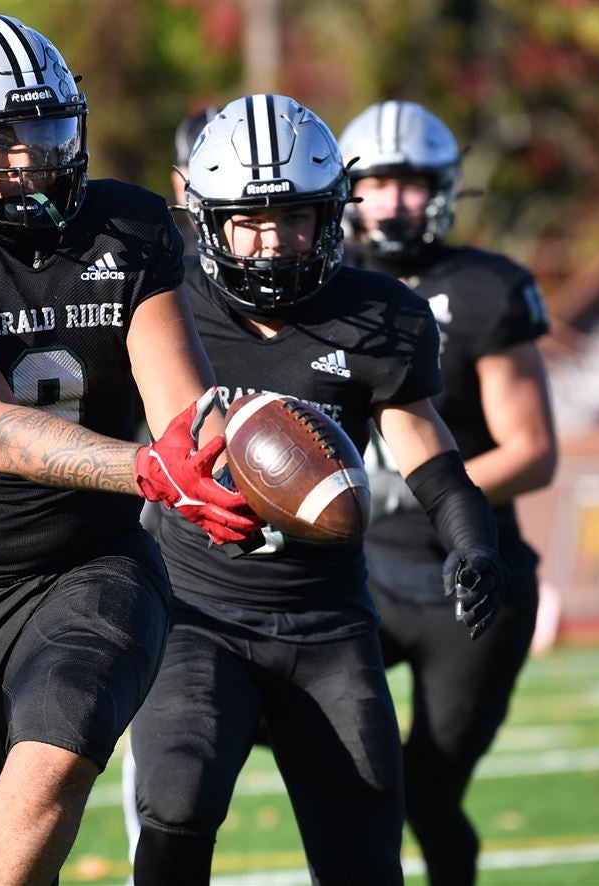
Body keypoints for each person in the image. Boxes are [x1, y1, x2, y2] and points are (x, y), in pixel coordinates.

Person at [0, 14, 263, 884]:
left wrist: (251, 449)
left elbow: (185, 409)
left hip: (93, 568)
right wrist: (143, 467)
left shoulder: (128, 228)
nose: (32, 156)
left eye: (47, 129)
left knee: (52, 761)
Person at [124, 94, 511, 886]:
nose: (272, 244)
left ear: (333, 211)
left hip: (328, 626)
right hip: (199, 616)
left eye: (295, 217)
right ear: (204, 219)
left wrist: (472, 537)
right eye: (249, 221)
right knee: (176, 805)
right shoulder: (165, 301)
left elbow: (430, 456)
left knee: (365, 853)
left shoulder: (380, 313)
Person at [340, 100, 557, 886]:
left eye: (412, 182)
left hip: (468, 584)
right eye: (380, 182)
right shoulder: (330, 283)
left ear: (444, 187)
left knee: (427, 793)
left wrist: (409, 489)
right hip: (362, 575)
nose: (394, 200)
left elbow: (532, 451)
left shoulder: (483, 286)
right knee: (297, 728)